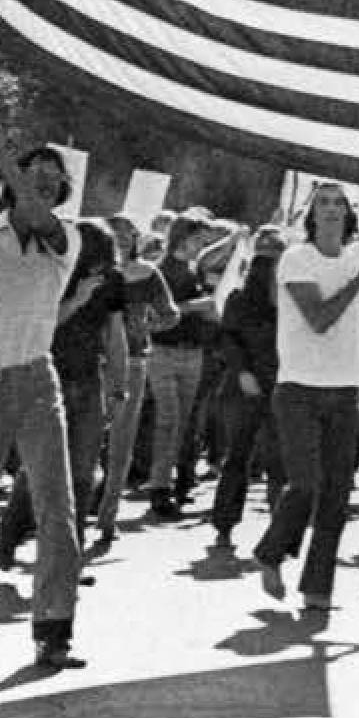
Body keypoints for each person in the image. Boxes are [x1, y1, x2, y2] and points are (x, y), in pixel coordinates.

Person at [252, 163, 359, 610]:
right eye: (323, 203)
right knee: (306, 484)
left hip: (344, 386)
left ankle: (317, 588)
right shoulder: (297, 258)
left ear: (349, 213)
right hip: (299, 388)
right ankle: (272, 552)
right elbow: (319, 318)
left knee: (337, 494)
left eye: (338, 203)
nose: (330, 210)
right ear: (311, 214)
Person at [0, 114, 85, 669]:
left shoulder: (66, 238)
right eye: (34, 171)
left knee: (57, 506)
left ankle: (53, 629)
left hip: (35, 377)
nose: (44, 180)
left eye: (53, 176)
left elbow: (36, 213)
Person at [0, 219, 128, 565]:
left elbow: (115, 336)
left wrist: (119, 387)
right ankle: (10, 535)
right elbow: (41, 325)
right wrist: (78, 298)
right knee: (40, 468)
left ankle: (69, 558)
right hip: (46, 377)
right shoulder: (50, 275)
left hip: (88, 380)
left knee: (83, 470)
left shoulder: (113, 282)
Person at [92, 214, 178, 547]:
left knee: (121, 442)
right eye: (116, 232)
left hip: (134, 361)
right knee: (84, 439)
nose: (123, 238)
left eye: (129, 233)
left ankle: (107, 516)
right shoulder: (94, 270)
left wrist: (147, 328)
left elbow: (170, 314)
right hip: (93, 360)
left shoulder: (148, 273)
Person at [209, 227, 288, 549]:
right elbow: (228, 338)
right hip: (244, 385)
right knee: (238, 456)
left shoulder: (289, 302)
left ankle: (279, 525)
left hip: (280, 383)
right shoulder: (239, 299)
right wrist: (242, 371)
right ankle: (225, 523)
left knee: (278, 458)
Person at [143, 212, 216, 519]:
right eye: (199, 239)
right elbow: (158, 314)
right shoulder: (162, 271)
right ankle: (160, 487)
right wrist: (199, 306)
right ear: (184, 238)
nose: (202, 246)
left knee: (182, 421)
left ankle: (172, 481)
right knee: (169, 420)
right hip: (163, 351)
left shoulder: (193, 268)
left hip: (192, 352)